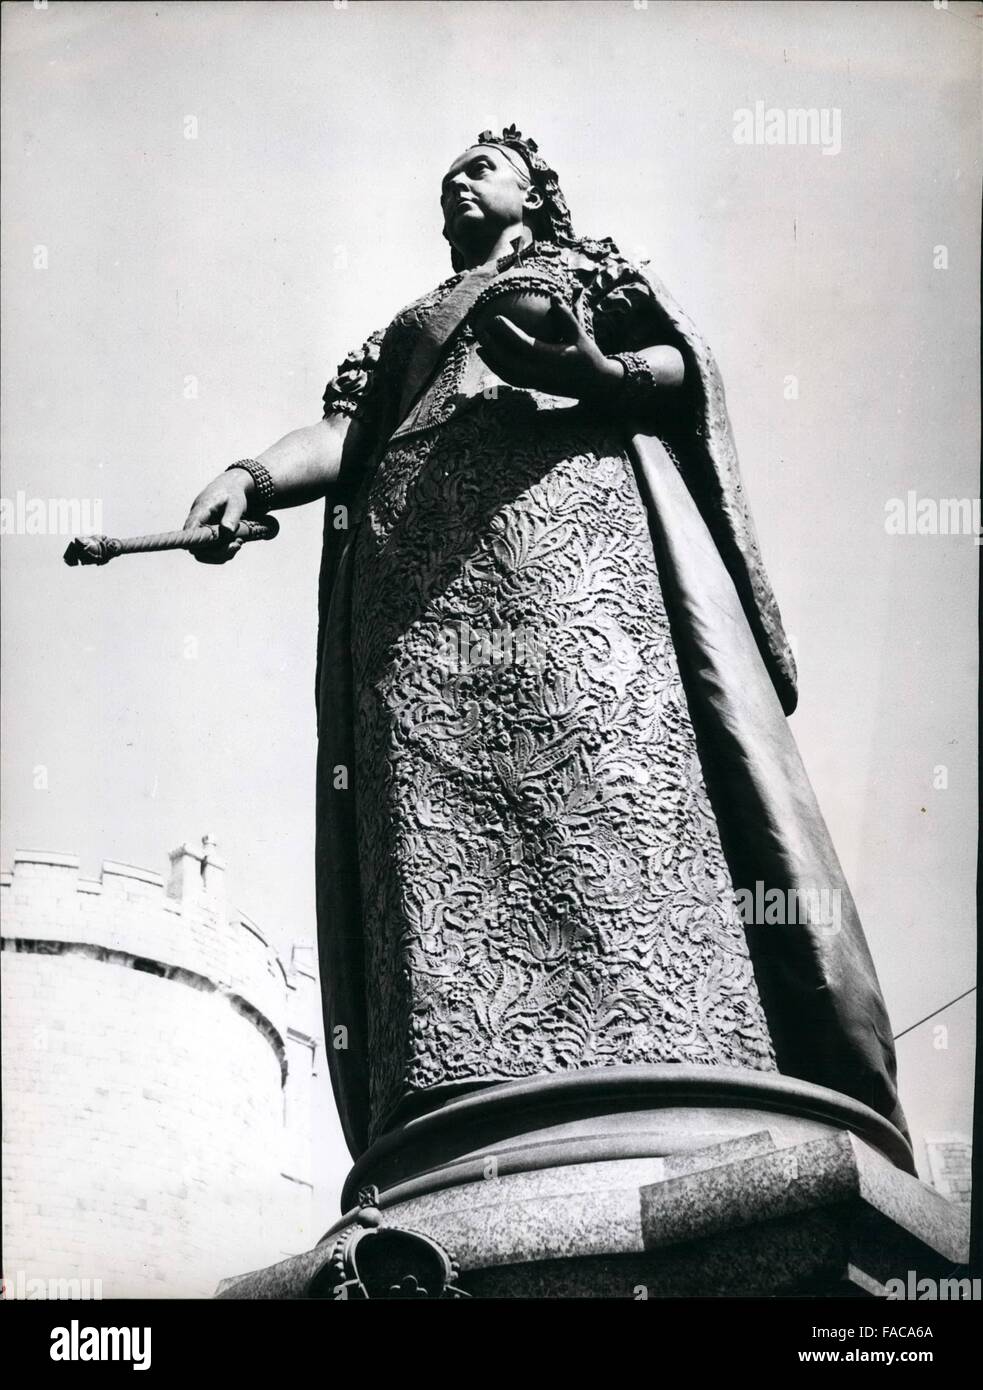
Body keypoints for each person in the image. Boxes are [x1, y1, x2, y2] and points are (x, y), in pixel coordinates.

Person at [183, 125, 907, 1158]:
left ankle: (673, 1046)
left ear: (533, 195)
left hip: (572, 567)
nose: (458, 180)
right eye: (447, 173)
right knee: (439, 837)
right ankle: (464, 1091)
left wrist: (599, 369)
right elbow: (347, 436)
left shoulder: (582, 271)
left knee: (612, 785)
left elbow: (673, 366)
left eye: (481, 167)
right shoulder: (408, 328)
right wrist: (249, 476)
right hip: (417, 608)